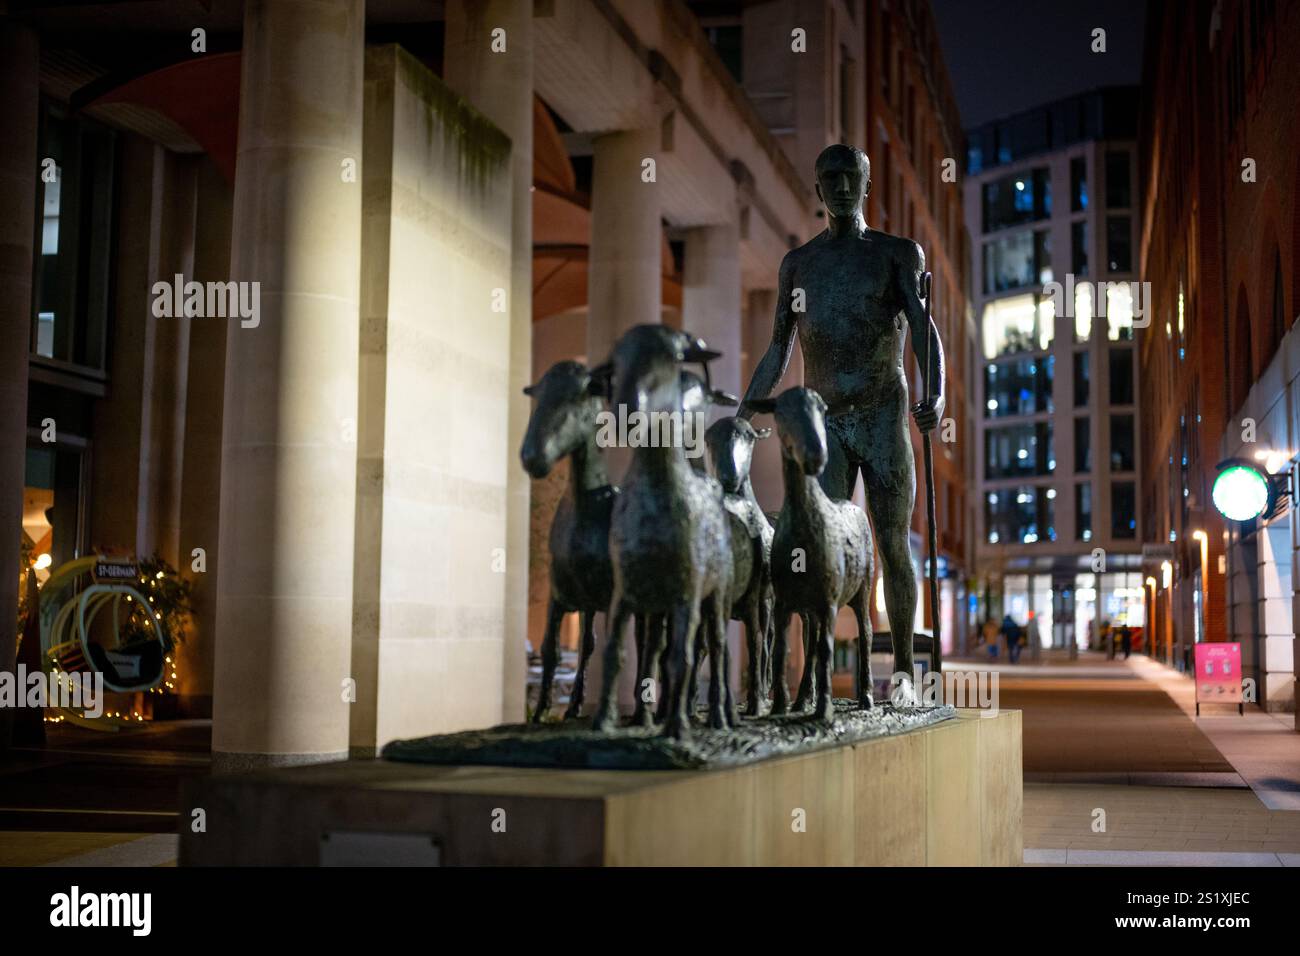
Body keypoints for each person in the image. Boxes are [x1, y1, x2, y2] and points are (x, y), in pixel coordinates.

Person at [739, 144, 944, 701]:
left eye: (851, 175)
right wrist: (742, 415)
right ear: (817, 190)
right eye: (830, 177)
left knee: (892, 543)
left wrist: (938, 394)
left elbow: (924, 332)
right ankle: (818, 677)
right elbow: (779, 348)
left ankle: (902, 671)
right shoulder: (799, 265)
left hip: (882, 416)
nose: (842, 185)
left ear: (866, 183)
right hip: (824, 421)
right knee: (817, 545)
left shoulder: (896, 254)